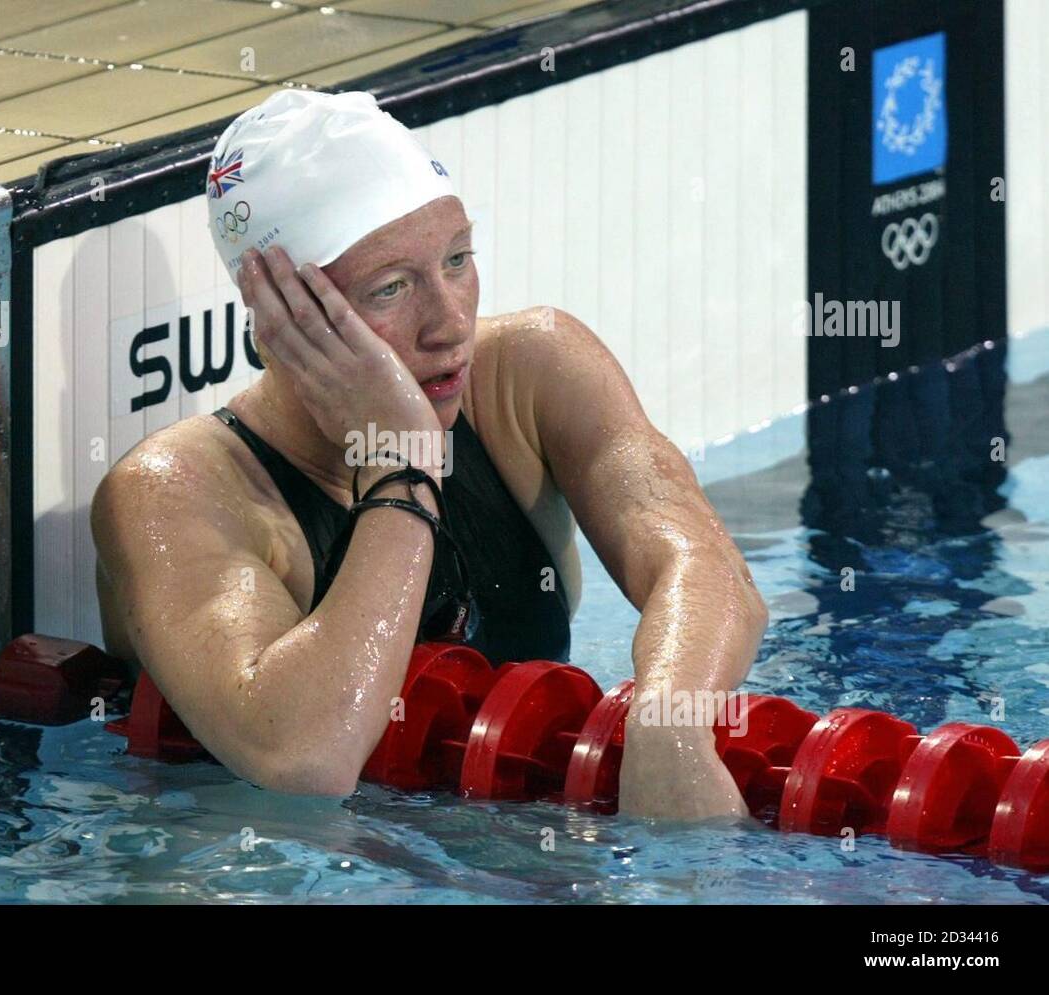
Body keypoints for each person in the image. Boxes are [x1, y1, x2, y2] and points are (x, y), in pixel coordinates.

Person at [92, 90, 768, 818]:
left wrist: (670, 722)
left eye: (457, 259)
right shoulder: (177, 491)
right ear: (281, 318)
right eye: (392, 287)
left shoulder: (531, 372)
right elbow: (301, 755)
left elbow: (706, 565)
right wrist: (402, 460)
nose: (449, 323)